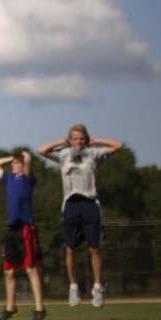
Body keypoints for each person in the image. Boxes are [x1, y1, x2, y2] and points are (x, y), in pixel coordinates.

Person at [38, 124, 124, 308]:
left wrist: (96, 140)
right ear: (70, 140)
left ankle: (97, 288)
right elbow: (41, 150)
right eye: (75, 138)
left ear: (86, 139)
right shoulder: (64, 154)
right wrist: (62, 142)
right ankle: (73, 287)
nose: (78, 142)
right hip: (71, 204)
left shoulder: (94, 153)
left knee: (94, 248)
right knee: (70, 248)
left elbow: (118, 145)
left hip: (90, 203)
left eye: (82, 138)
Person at [0, 151, 45, 320]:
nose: (13, 165)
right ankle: (10, 307)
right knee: (9, 271)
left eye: (16, 163)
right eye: (13, 163)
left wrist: (21, 157)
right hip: (12, 230)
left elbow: (28, 156)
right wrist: (10, 158)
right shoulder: (8, 179)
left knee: (30, 269)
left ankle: (39, 308)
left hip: (26, 228)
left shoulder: (27, 179)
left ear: (23, 165)